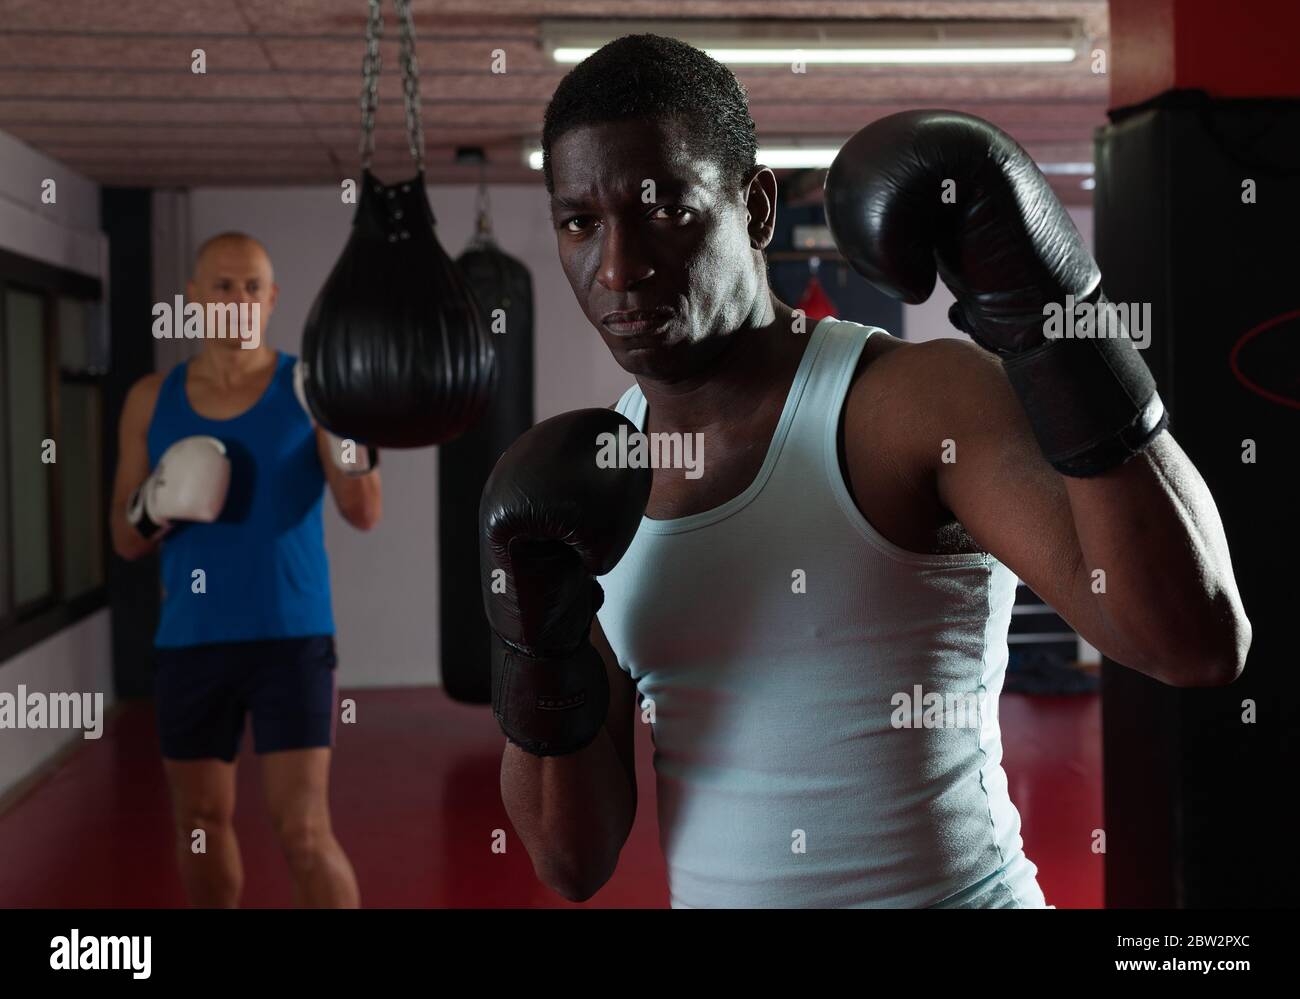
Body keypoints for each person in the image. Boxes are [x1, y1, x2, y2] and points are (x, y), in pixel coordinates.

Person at [486, 35, 1251, 908]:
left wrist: (1056, 320)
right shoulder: (587, 488)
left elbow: (1194, 641)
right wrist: (533, 640)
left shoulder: (914, 405)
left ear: (757, 207)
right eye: (580, 221)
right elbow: (569, 860)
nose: (618, 268)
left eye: (666, 210)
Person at [110, 232, 381, 908]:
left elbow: (364, 509)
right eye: (223, 287)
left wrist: (344, 420)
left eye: (251, 287)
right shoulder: (152, 398)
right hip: (191, 641)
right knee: (200, 822)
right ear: (195, 297)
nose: (237, 300)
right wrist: (153, 506)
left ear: (272, 298)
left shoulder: (308, 387)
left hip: (290, 637)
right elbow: (121, 539)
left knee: (304, 829)